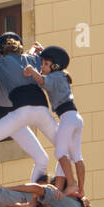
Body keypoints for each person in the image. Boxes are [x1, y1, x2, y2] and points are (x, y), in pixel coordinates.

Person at [0, 33, 57, 178]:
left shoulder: (6, 63)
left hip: (16, 118)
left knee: (42, 159)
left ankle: (35, 196)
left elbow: (18, 62)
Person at [23, 45, 85, 193]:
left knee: (60, 153)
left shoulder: (53, 77)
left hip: (67, 118)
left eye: (45, 64)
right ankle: (80, 189)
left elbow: (42, 81)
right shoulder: (61, 75)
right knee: (76, 155)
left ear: (55, 65)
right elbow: (53, 66)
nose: (42, 66)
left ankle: (71, 183)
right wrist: (41, 51)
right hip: (75, 117)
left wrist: (31, 70)